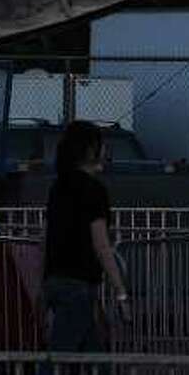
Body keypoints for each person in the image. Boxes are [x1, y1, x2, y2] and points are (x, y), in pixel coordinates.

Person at [41, 119, 130, 357]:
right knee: (58, 359)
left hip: (56, 279)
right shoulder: (95, 190)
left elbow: (46, 236)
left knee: (96, 356)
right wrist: (120, 290)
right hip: (79, 284)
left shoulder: (58, 187)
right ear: (92, 150)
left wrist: (42, 282)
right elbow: (101, 245)